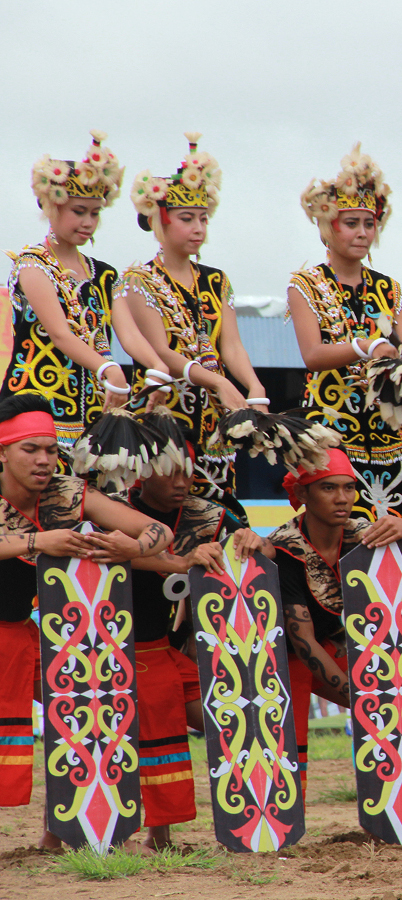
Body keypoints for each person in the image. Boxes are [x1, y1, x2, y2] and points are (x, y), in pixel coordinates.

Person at [0, 395, 173, 849]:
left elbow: (159, 532)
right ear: (1, 451)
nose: (43, 460)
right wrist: (37, 540)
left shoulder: (69, 492)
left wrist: (133, 550)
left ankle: (61, 831)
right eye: (30, 449)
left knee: (82, 704)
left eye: (51, 450)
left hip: (23, 633)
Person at [107, 418, 271, 849]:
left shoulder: (208, 513)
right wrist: (182, 559)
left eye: (189, 470)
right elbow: (114, 554)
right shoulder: (113, 506)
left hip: (163, 648)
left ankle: (256, 819)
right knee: (148, 733)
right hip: (119, 650)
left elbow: (266, 552)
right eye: (171, 470)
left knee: (232, 720)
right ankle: (153, 835)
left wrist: (253, 541)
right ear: (142, 471)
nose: (183, 481)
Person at [118, 133, 269, 521]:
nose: (198, 227)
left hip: (214, 417)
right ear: (159, 220)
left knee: (219, 512)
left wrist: (253, 385)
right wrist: (218, 381)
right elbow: (162, 352)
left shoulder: (217, 280)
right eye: (187, 218)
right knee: (166, 513)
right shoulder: (140, 279)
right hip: (166, 409)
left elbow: (230, 347)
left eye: (203, 218)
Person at [3, 131, 167, 464]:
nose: (88, 222)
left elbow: (128, 334)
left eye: (95, 213)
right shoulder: (32, 264)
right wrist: (108, 368)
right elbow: (61, 334)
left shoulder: (104, 274)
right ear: (52, 206)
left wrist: (157, 366)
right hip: (37, 404)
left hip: (96, 405)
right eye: (79, 211)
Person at [289, 145, 402, 529]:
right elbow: (312, 355)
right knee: (339, 535)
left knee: (400, 534)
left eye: (369, 223)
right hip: (333, 431)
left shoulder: (391, 289)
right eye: (351, 223)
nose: (363, 233)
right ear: (327, 225)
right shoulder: (305, 285)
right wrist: (364, 347)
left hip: (389, 434)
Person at [268, 448, 402, 803]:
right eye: (329, 488)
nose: (343, 498)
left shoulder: (365, 535)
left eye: (349, 488)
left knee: (400, 702)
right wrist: (357, 695)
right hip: (284, 658)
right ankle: (285, 814)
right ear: (302, 495)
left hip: (334, 644)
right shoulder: (285, 547)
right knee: (289, 735)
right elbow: (302, 641)